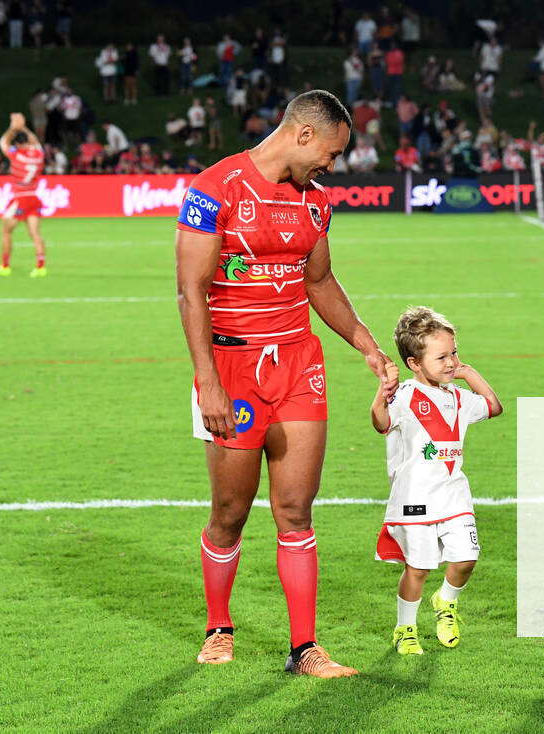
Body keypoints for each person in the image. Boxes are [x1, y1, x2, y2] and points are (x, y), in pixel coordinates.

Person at [175, 89, 396, 677]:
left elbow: (320, 282)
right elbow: (190, 291)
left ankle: (305, 648)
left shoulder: (316, 202)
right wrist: (207, 382)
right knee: (230, 510)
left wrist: (366, 343)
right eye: (331, 151)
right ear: (302, 134)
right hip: (231, 367)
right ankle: (219, 628)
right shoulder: (215, 188)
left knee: (296, 508)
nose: (333, 164)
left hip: (299, 361)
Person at [372, 306, 502, 655]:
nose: (450, 362)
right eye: (442, 356)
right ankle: (405, 628)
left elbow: (493, 406)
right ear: (415, 364)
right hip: (414, 498)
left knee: (467, 559)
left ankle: (446, 601)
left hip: (454, 494)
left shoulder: (459, 398)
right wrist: (382, 391)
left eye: (454, 353)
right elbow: (381, 421)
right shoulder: (404, 397)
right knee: (418, 568)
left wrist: (468, 373)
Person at [0, 113, 48, 278]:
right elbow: (35, 141)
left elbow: (3, 143)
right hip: (34, 197)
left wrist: (12, 128)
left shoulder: (16, 155)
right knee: (35, 233)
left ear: (18, 144)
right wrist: (23, 128)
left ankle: (5, 265)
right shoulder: (38, 155)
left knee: (6, 231)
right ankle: (40, 267)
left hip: (20, 198)